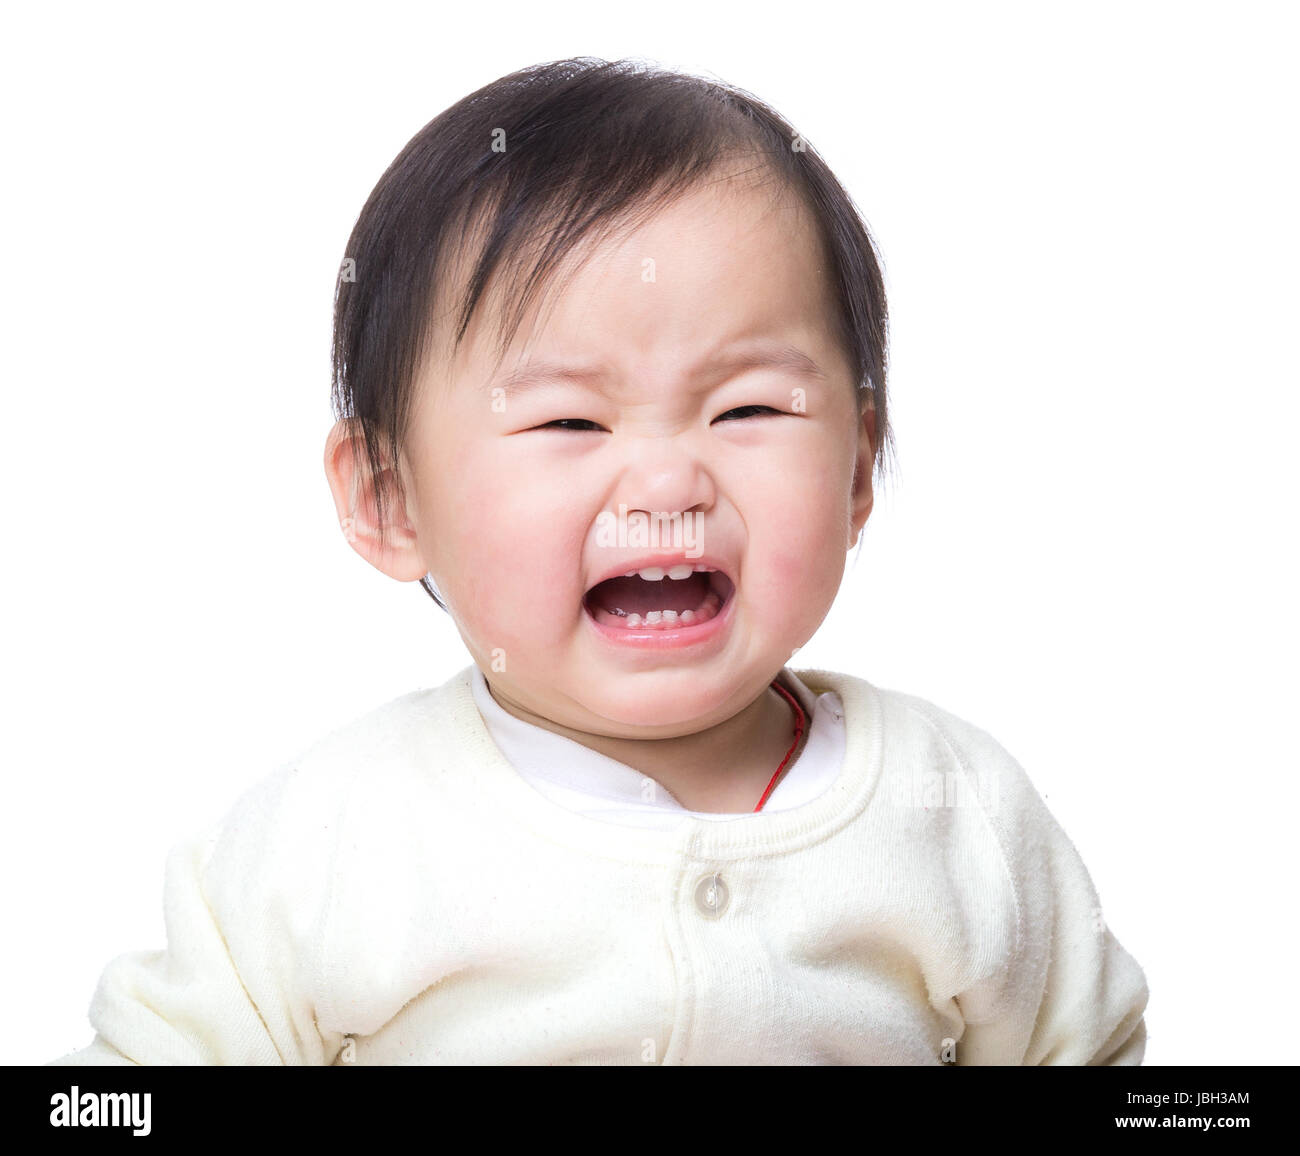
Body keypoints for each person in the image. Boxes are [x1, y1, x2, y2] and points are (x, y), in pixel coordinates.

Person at [49, 56, 1147, 1066]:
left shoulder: (956, 813)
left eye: (750, 406)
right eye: (569, 422)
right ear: (389, 498)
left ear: (859, 467)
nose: (669, 482)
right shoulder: (328, 841)